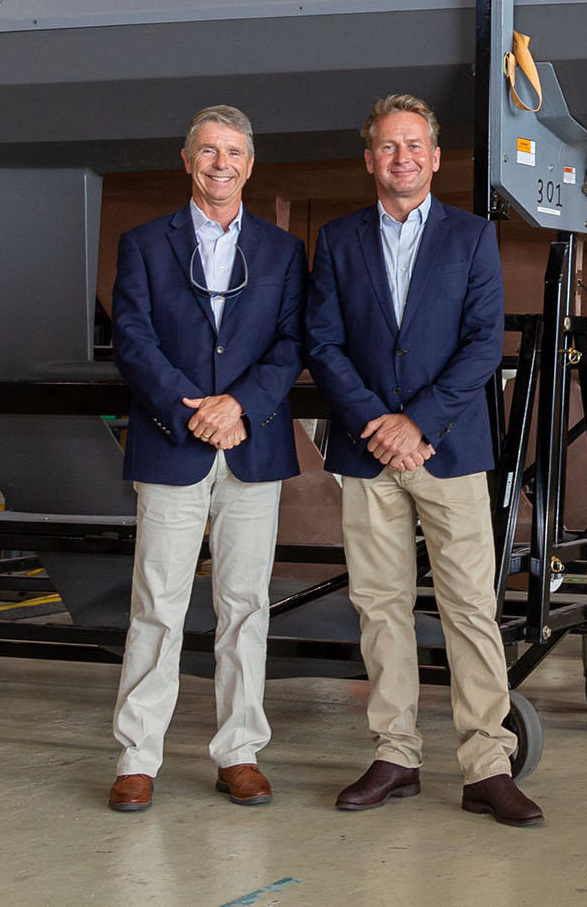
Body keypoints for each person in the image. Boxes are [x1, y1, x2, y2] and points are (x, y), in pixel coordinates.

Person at [304, 93, 544, 827]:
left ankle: (486, 766)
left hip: (450, 449)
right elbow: (323, 343)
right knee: (379, 607)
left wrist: (419, 422)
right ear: (369, 157)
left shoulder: (472, 239)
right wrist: (379, 422)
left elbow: (483, 345)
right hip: (368, 448)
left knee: (470, 606)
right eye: (387, 145)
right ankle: (395, 755)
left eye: (414, 145)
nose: (401, 157)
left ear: (436, 158)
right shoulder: (338, 239)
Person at [106, 105, 307, 813]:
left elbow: (291, 346)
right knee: (156, 604)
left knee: (246, 605)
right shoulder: (142, 244)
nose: (221, 163)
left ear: (250, 166)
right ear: (187, 160)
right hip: (172, 443)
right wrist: (192, 407)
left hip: (253, 448)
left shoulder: (283, 253)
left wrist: (239, 407)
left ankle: (239, 752)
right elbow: (132, 338)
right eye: (208, 151)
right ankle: (137, 758)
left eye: (234, 153)